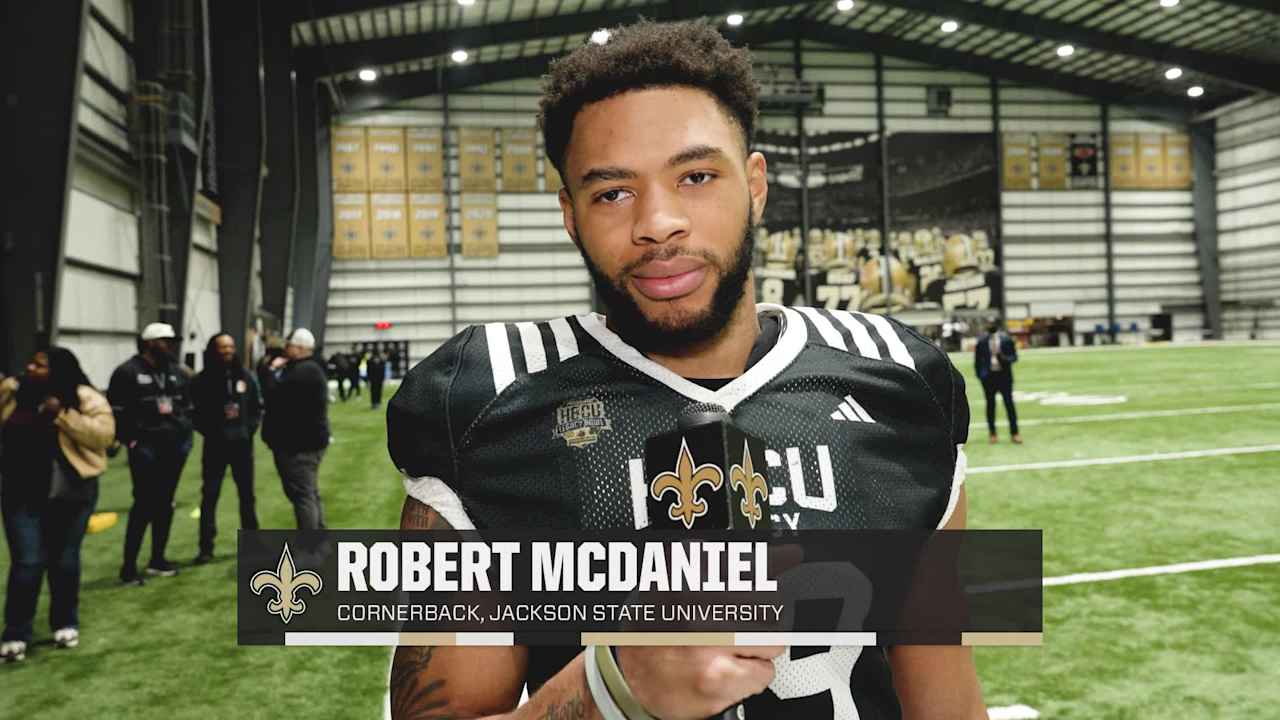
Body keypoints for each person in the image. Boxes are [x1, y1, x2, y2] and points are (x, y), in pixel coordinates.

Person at [385, 20, 984, 719]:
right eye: (612, 192)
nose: (659, 222)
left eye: (696, 176)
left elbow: (949, 706)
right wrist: (610, 687)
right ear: (570, 217)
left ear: (756, 185)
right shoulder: (490, 401)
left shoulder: (899, 384)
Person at [0, 348, 113, 662]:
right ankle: (15, 632)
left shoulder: (83, 397)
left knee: (64, 560)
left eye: (40, 365)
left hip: (72, 493)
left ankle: (64, 622)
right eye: (31, 362)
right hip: (21, 492)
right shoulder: (13, 392)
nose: (31, 368)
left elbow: (104, 436)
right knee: (28, 561)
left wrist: (63, 415)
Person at [108, 323, 194, 583]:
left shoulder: (176, 372)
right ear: (149, 343)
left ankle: (158, 559)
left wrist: (185, 437)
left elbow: (186, 407)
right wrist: (130, 441)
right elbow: (116, 412)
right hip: (145, 448)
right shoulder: (127, 372)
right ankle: (129, 567)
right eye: (165, 341)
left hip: (174, 448)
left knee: (165, 504)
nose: (170, 345)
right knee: (143, 505)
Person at [190, 333, 262, 563]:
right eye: (223, 347)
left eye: (231, 346)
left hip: (242, 446)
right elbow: (195, 413)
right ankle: (206, 547)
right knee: (210, 496)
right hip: (215, 446)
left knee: (247, 496)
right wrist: (212, 431)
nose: (228, 351)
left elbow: (256, 408)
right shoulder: (202, 380)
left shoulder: (245, 377)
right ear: (214, 350)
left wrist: (247, 430)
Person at [260, 328, 329, 530]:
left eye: (288, 346)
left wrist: (269, 370)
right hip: (305, 441)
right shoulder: (308, 368)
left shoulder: (303, 371)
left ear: (299, 348)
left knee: (302, 495)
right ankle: (319, 538)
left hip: (298, 444)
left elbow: (273, 395)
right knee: (308, 492)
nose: (285, 349)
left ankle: (310, 546)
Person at [975, 320, 1021, 444]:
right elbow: (977, 361)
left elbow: (1015, 357)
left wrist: (1004, 358)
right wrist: (981, 376)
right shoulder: (982, 341)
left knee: (1009, 405)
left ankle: (1015, 432)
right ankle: (992, 433)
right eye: (988, 324)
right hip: (989, 378)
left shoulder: (1006, 339)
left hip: (1004, 377)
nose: (990, 326)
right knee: (990, 406)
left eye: (992, 324)